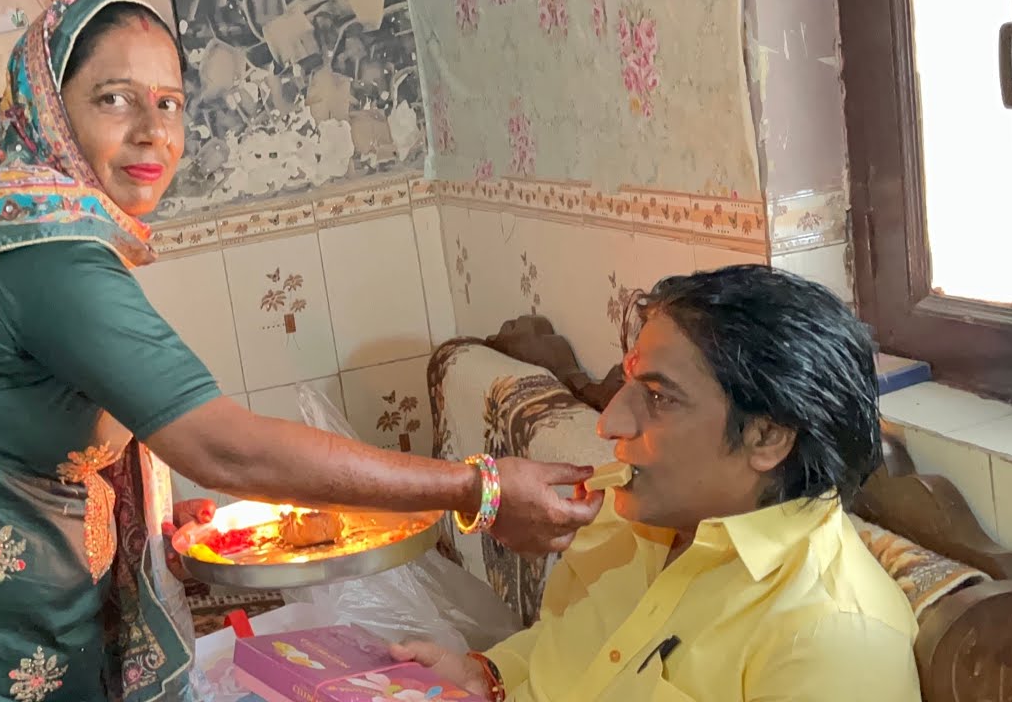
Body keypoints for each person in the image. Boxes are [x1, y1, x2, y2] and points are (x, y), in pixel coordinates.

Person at [0, 0, 602, 702]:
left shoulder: (2, 212)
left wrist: (155, 512)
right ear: (48, 109)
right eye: (114, 99)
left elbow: (21, 420)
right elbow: (224, 447)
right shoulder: (43, 256)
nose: (151, 132)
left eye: (168, 103)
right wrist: (477, 488)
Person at [393, 265, 923, 701]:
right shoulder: (636, 517)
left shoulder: (834, 640)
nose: (609, 423)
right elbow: (570, 649)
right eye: (629, 383)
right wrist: (486, 677)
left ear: (767, 436)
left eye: (658, 397)